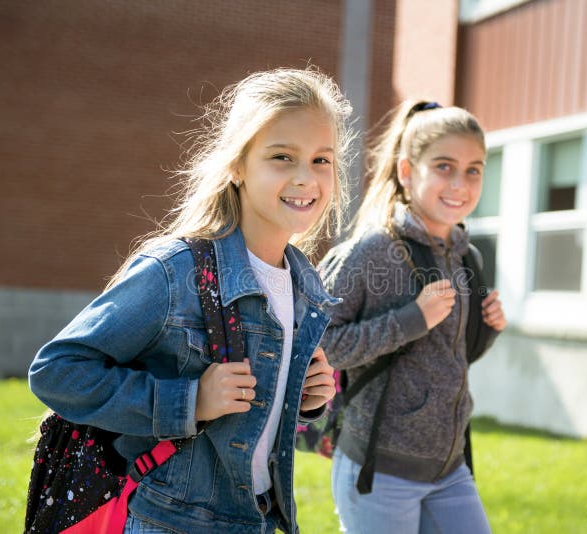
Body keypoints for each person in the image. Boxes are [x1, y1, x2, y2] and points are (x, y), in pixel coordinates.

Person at [28, 67, 352, 533]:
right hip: (170, 521)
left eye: (322, 160)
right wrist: (191, 400)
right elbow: (57, 371)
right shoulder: (176, 271)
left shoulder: (303, 283)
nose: (306, 178)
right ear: (237, 165)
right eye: (282, 156)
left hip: (258, 519)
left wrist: (304, 399)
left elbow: (249, 426)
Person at [318, 100, 507, 533]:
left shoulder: (468, 257)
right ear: (406, 171)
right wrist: (411, 319)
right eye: (444, 167)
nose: (460, 184)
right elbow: (320, 347)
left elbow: (448, 360)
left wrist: (487, 329)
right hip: (379, 472)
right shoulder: (373, 252)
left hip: (450, 468)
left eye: (473, 170)